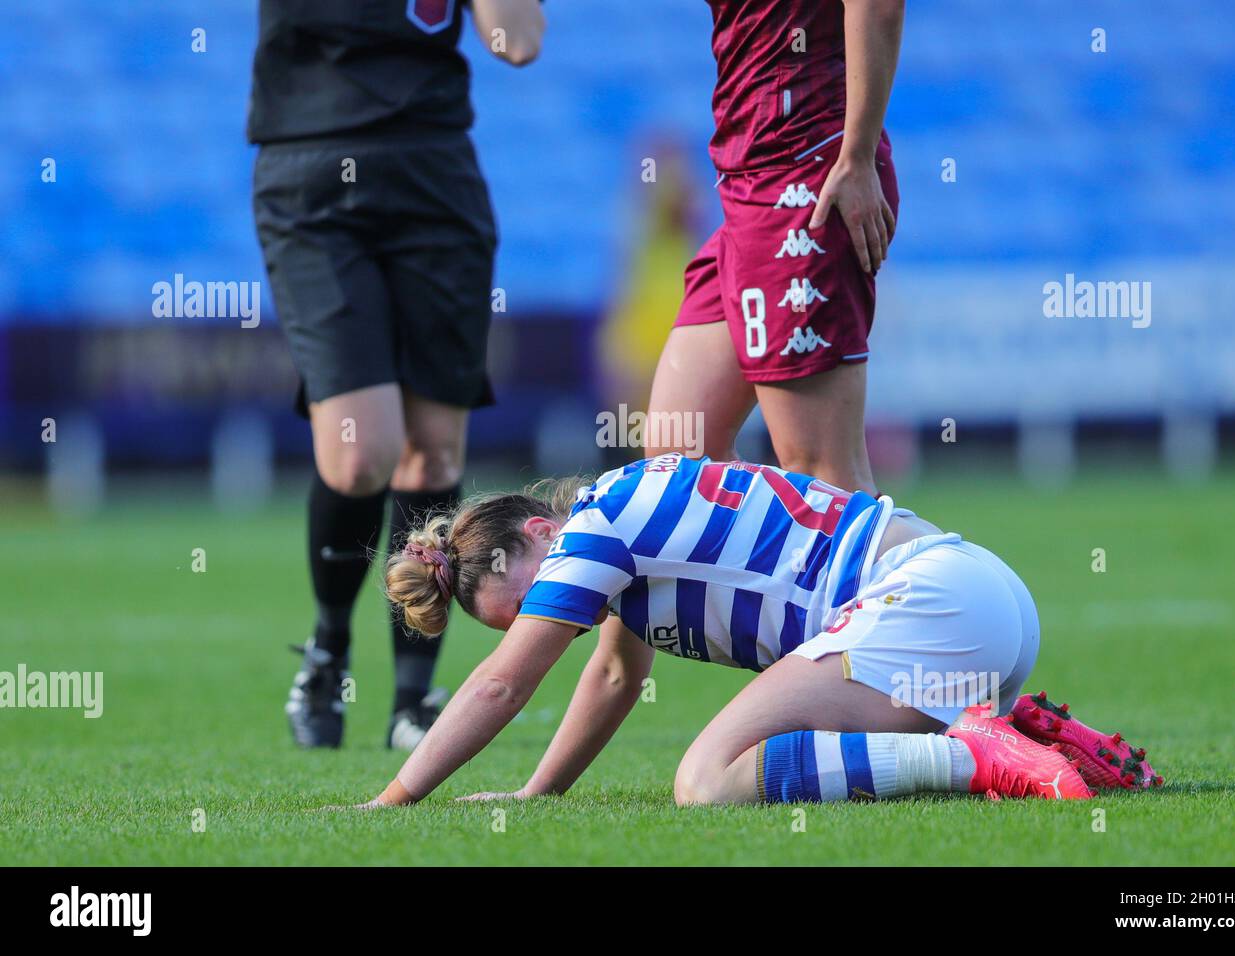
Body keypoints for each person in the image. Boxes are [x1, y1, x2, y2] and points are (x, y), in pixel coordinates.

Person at [351, 454, 1160, 808]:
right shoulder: (615, 527)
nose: (553, 624)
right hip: (977, 602)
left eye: (530, 609)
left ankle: (972, 753)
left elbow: (501, 681)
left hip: (928, 606)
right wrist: (538, 791)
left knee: (706, 780)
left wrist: (395, 798)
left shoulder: (590, 535)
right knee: (749, 756)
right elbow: (611, 679)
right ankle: (1021, 729)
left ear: (534, 533)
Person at [248, 0, 546, 749]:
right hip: (311, 172)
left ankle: (413, 699)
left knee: (435, 453)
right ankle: (327, 652)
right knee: (359, 454)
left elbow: (518, 41)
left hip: (433, 172)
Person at [646, 0, 906, 494]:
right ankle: (785, 562)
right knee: (679, 463)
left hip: (805, 176)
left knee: (824, 477)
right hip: (745, 189)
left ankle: (942, 573)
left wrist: (857, 154)